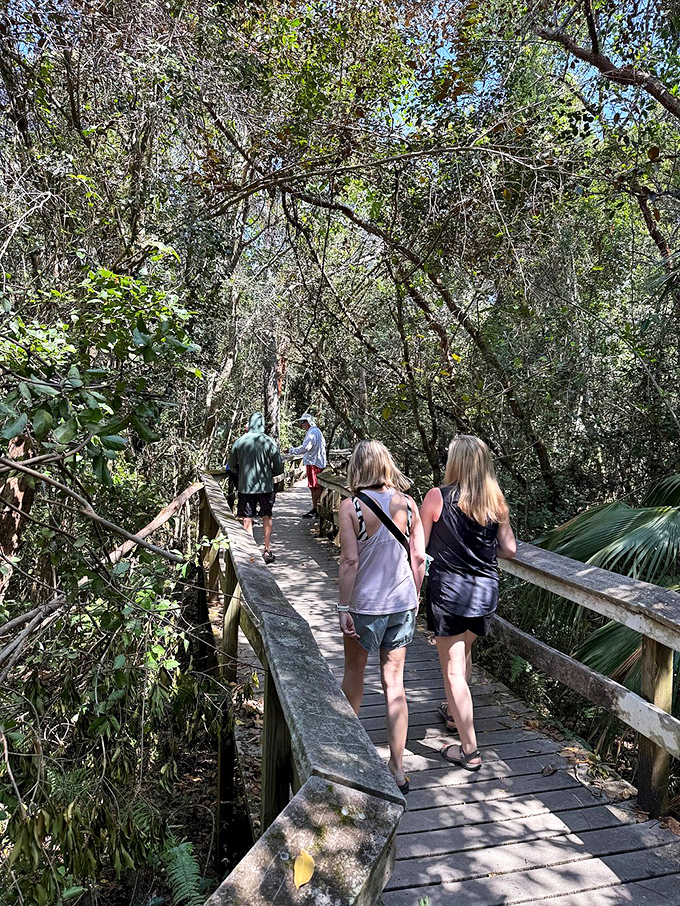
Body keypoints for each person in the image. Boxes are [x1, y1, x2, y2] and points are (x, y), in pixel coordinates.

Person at [419, 435, 516, 772]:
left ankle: (470, 751)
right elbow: (510, 550)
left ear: (455, 463)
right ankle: (452, 714)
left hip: (449, 593)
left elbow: (420, 549)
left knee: (452, 670)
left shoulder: (437, 497)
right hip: (485, 592)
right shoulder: (496, 502)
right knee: (464, 652)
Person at [337, 440, 426, 795]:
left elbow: (349, 562)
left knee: (353, 675)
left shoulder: (351, 506)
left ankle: (346, 757)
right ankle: (398, 768)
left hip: (364, 606)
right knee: (395, 685)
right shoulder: (408, 503)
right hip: (401, 603)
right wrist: (415, 597)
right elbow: (418, 558)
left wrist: (343, 608)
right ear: (387, 465)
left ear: (358, 468)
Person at [228, 412, 283, 564]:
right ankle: (267, 550)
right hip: (266, 487)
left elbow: (232, 466)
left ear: (250, 424)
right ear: (262, 425)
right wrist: (272, 473)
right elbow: (278, 466)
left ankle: (251, 554)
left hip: (245, 487)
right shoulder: (268, 441)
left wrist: (242, 475)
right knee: (267, 516)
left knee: (247, 518)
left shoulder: (240, 442)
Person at [287, 412, 327, 517]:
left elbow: (305, 448)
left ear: (308, 422)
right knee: (317, 487)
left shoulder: (312, 433)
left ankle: (315, 510)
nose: (301, 424)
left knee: (314, 487)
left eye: (303, 422)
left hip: (313, 463)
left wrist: (291, 450)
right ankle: (318, 509)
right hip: (318, 462)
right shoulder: (317, 431)